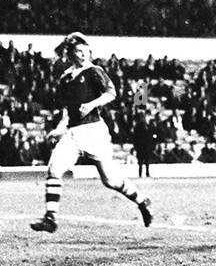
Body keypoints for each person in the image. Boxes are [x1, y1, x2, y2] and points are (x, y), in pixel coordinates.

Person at [30, 32, 153, 233]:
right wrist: (60, 128)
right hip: (73, 134)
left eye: (86, 51)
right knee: (54, 169)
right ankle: (50, 218)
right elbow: (66, 110)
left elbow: (111, 93)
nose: (83, 54)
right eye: (79, 51)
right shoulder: (65, 78)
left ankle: (141, 201)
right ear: (71, 54)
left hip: (94, 132)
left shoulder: (94, 71)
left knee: (110, 180)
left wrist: (91, 104)